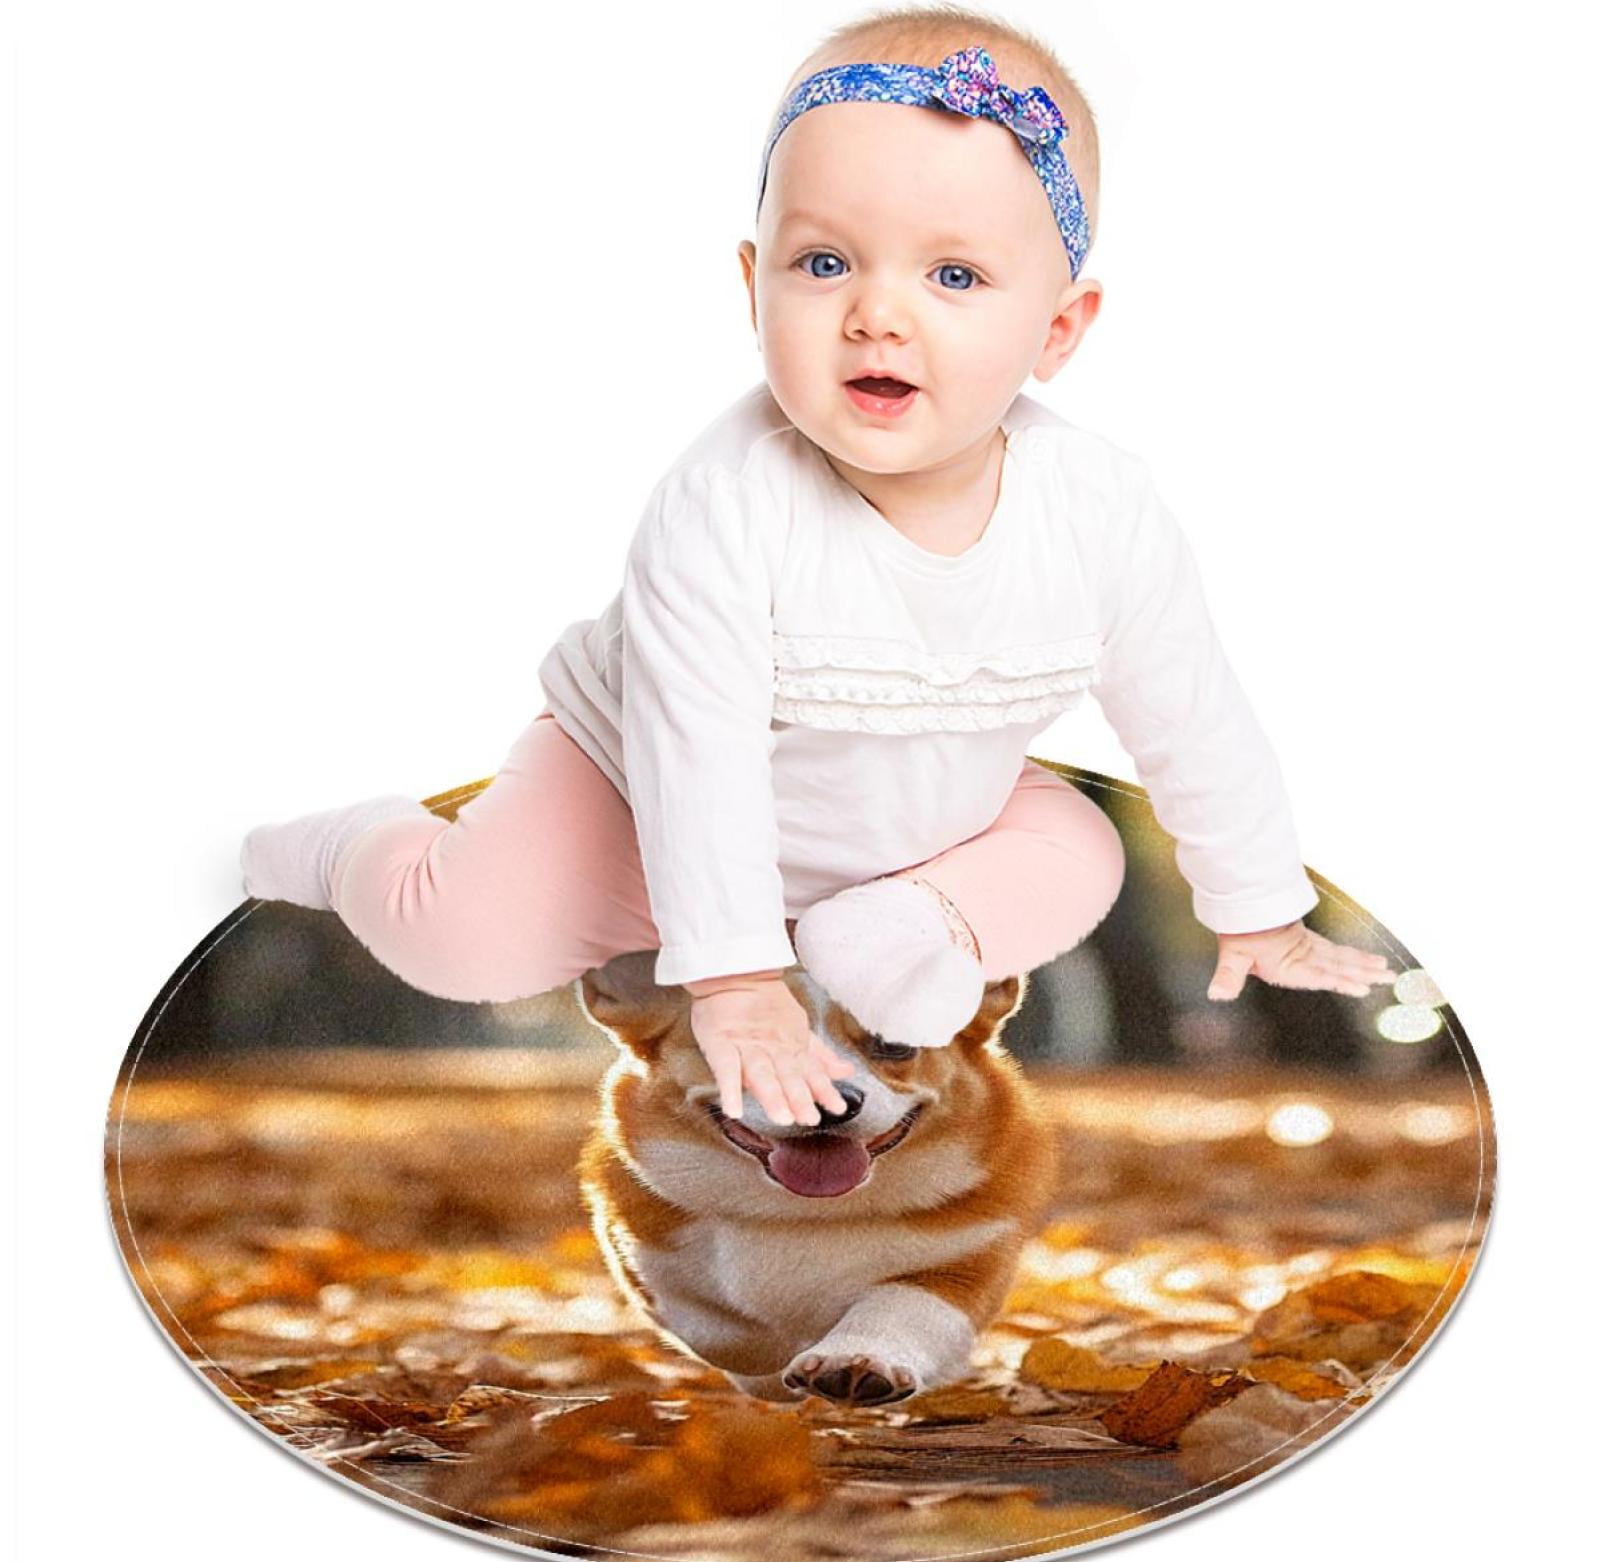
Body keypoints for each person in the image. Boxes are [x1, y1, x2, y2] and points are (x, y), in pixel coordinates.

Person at [240, 13, 1396, 1136]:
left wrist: (1256, 902)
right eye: (825, 262)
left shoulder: (1098, 509)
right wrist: (736, 978)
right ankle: (350, 845)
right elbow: (699, 749)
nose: (875, 315)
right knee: (466, 935)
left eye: (953, 276)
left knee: (1082, 850)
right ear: (753, 288)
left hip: (912, 825)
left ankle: (894, 926)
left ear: (1058, 328)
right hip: (635, 793)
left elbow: (1189, 710)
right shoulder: (725, 503)